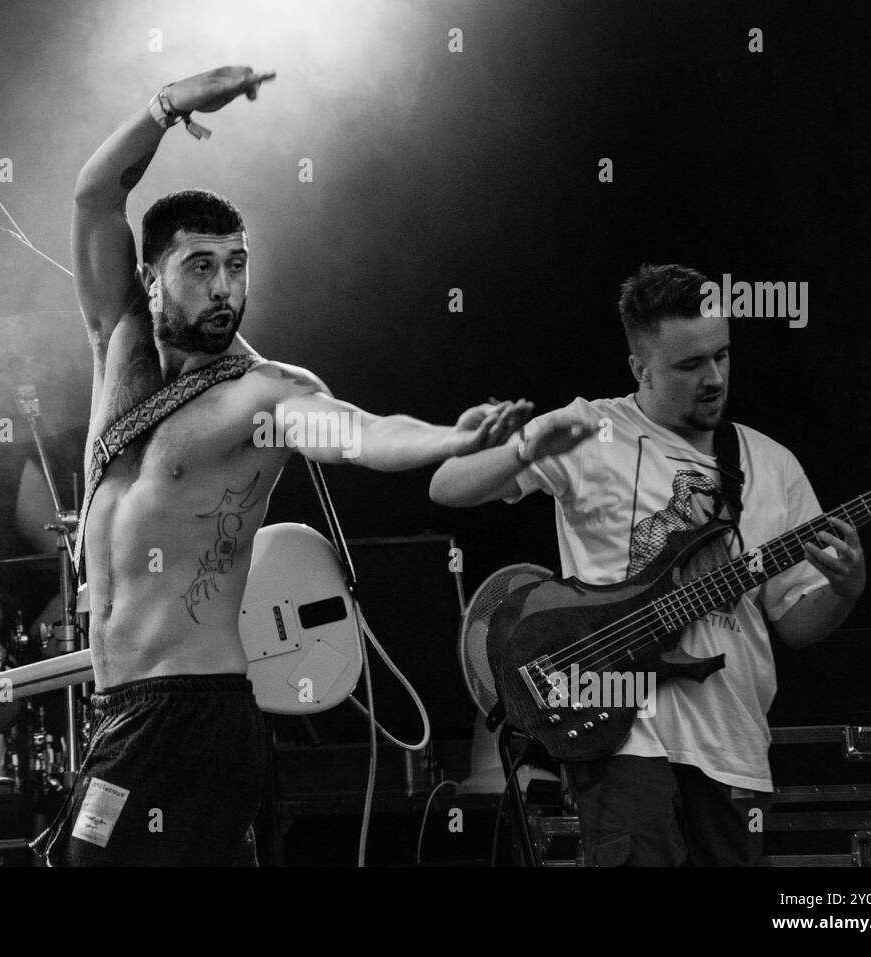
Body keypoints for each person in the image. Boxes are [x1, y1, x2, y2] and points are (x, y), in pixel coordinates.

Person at [34, 64, 588, 867]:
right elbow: (93, 196)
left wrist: (452, 439)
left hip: (192, 711)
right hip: (123, 706)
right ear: (150, 279)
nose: (226, 287)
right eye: (201, 267)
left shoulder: (261, 393)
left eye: (237, 264)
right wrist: (166, 106)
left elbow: (356, 431)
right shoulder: (116, 341)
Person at [429, 263, 867, 866]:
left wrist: (845, 590)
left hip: (733, 743)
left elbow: (794, 624)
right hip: (622, 730)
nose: (713, 378)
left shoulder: (773, 464)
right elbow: (448, 486)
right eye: (689, 366)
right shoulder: (592, 429)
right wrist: (530, 441)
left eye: (722, 356)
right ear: (641, 369)